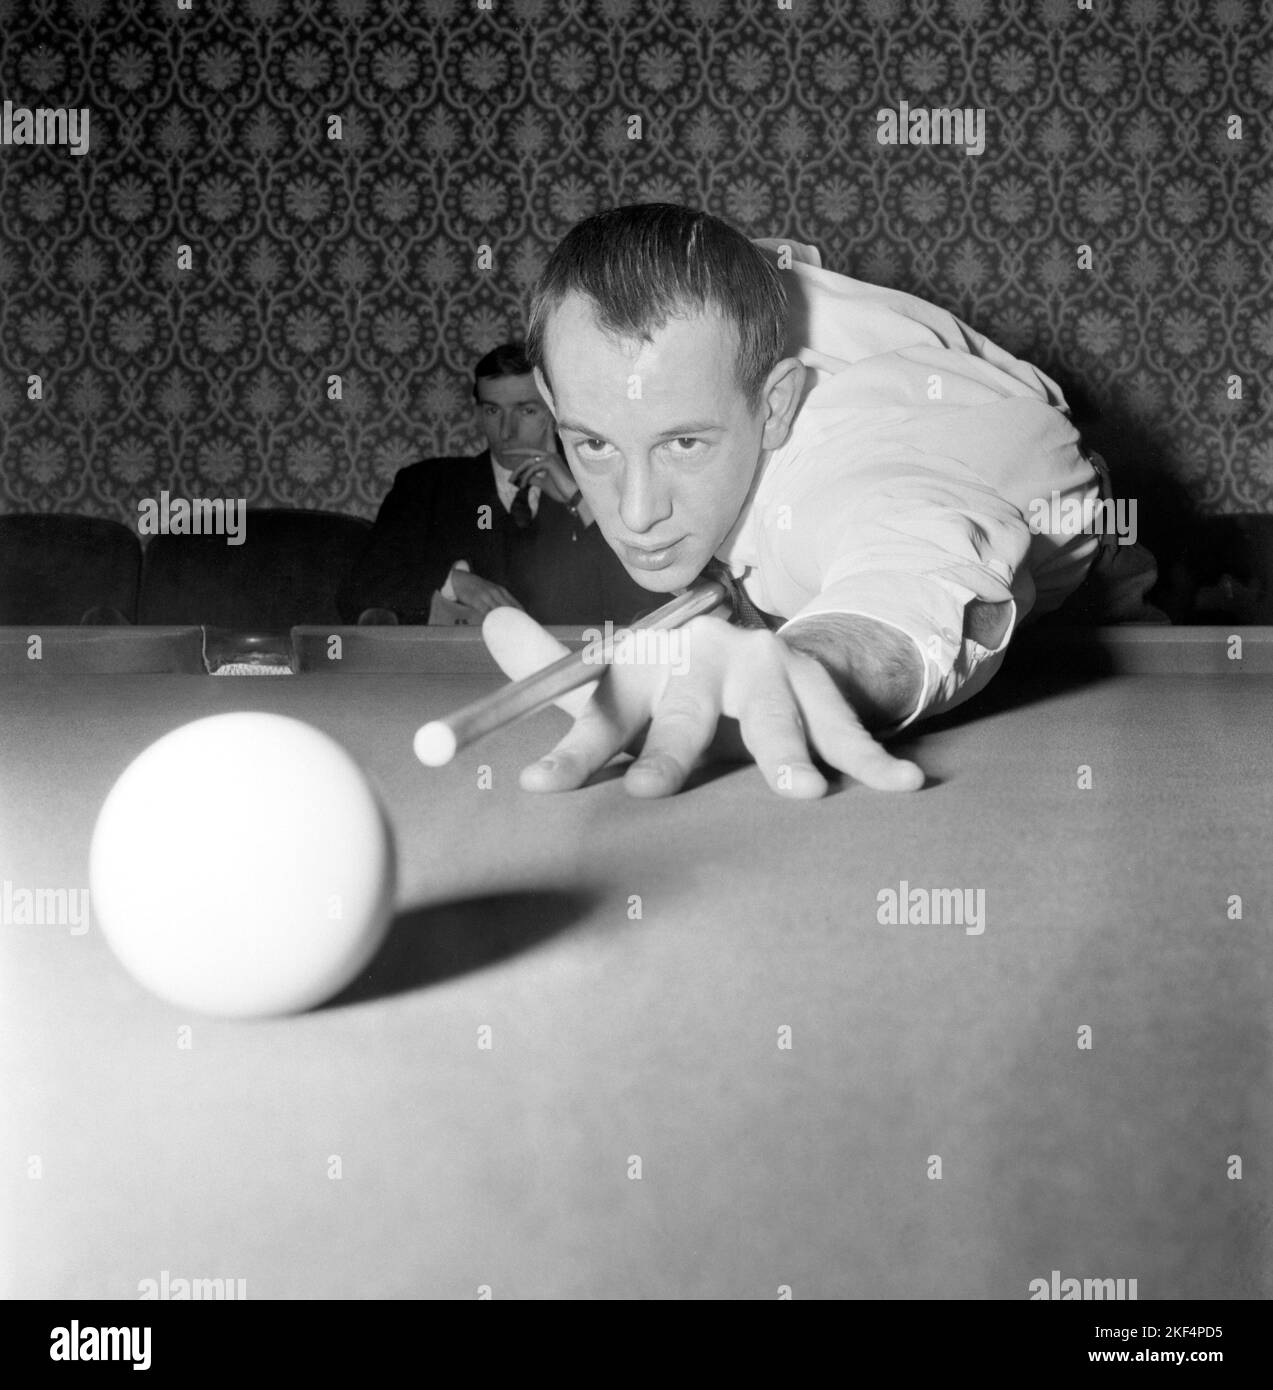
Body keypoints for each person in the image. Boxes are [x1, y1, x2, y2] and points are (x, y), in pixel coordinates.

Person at [480, 203, 1136, 799]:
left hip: (1093, 583)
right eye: (593, 444)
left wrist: (806, 665)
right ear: (549, 395)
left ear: (775, 407)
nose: (635, 512)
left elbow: (916, 563)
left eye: (682, 443)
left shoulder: (828, 473)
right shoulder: (707, 323)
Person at [337, 343, 651, 626]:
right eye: (492, 410)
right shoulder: (426, 485)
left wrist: (578, 499)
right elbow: (361, 589)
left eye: (526, 410)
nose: (506, 431)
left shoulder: (605, 484)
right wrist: (453, 582)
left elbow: (645, 605)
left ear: (555, 412)